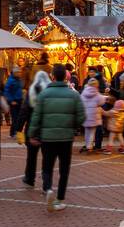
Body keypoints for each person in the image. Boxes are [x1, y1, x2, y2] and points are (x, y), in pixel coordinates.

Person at [28, 64, 85, 212]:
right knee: (64, 169)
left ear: (52, 76)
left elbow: (36, 116)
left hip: (47, 138)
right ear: (65, 77)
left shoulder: (44, 95)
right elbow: (82, 116)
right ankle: (60, 199)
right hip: (66, 138)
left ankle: (48, 189)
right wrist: (73, 126)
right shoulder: (74, 95)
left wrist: (32, 134)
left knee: (47, 167)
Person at [17, 70, 51, 187]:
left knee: (31, 156)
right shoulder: (50, 92)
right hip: (47, 128)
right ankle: (46, 182)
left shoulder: (31, 91)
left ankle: (29, 178)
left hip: (32, 128)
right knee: (47, 156)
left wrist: (18, 128)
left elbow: (24, 111)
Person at [79, 76, 105, 154]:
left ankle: (87, 145)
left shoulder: (84, 92)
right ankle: (89, 147)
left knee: (87, 132)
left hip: (86, 115)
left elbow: (81, 102)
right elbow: (101, 102)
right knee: (92, 132)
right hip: (94, 116)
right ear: (96, 85)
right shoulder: (96, 93)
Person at [3, 67, 24, 137]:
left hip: (19, 100)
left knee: (19, 118)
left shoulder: (18, 79)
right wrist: (11, 100)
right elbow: (6, 91)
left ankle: (15, 132)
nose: (20, 73)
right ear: (15, 73)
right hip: (14, 101)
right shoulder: (10, 80)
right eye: (18, 72)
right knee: (15, 118)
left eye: (20, 72)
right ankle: (13, 133)